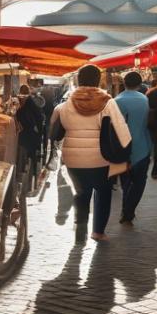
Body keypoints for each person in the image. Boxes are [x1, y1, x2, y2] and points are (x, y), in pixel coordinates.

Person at [51, 65, 131, 242]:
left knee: (81, 192)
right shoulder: (108, 103)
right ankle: (98, 232)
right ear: (98, 81)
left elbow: (54, 130)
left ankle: (81, 227)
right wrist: (125, 154)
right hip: (102, 158)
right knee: (103, 193)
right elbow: (122, 130)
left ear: (79, 80)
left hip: (73, 159)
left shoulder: (65, 104)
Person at [114, 71, 151, 224]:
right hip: (143, 147)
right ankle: (128, 211)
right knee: (139, 181)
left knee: (125, 182)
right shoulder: (145, 100)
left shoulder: (117, 100)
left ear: (124, 83)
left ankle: (126, 210)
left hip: (123, 149)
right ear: (139, 84)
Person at [15, 84, 45, 184]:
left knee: (22, 155)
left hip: (23, 133)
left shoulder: (20, 103)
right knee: (31, 156)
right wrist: (39, 133)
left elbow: (21, 115)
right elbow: (39, 117)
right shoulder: (31, 102)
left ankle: (24, 177)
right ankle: (31, 178)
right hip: (31, 134)